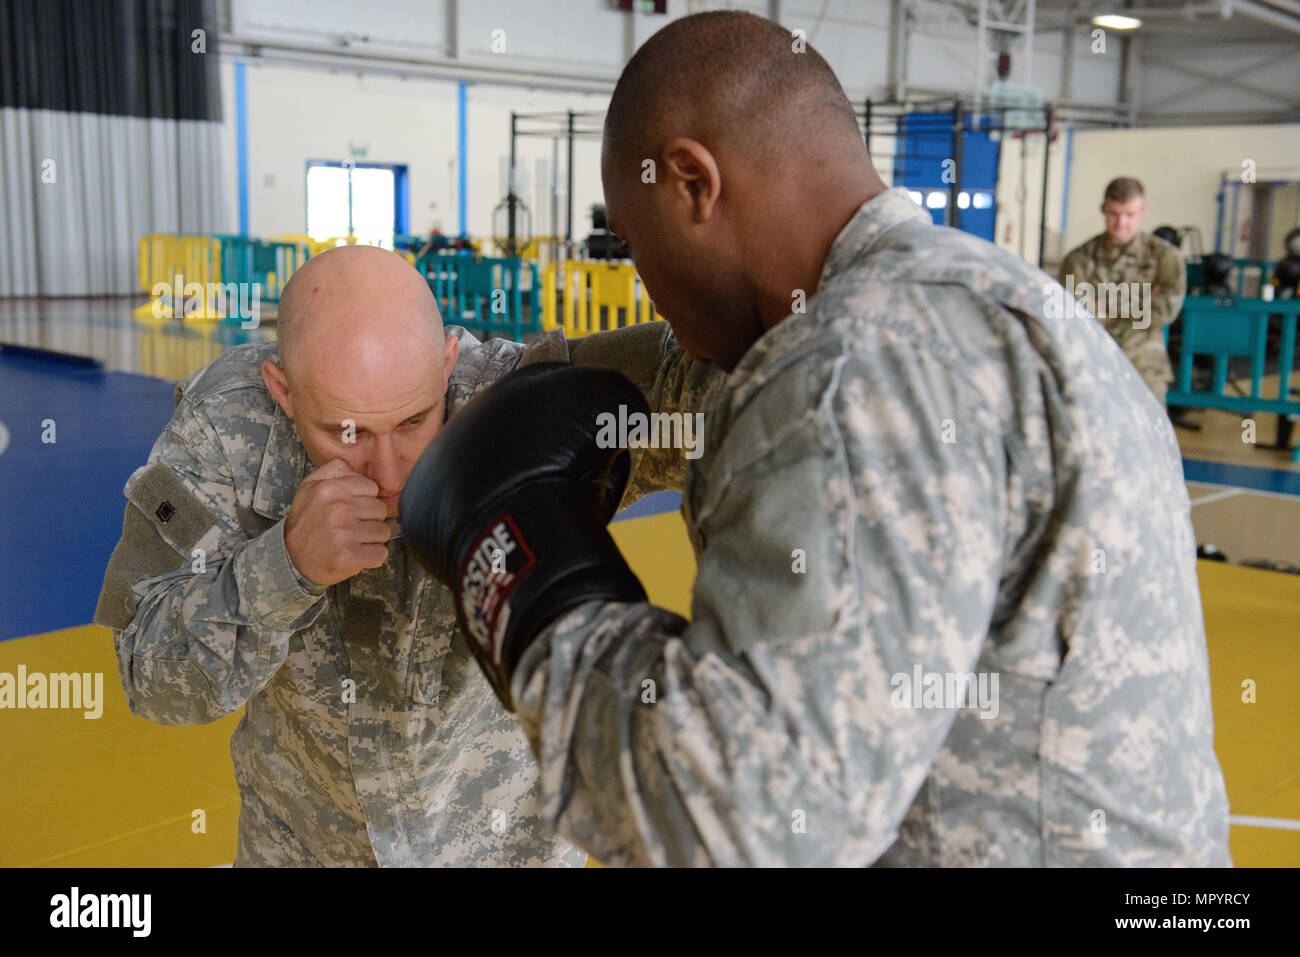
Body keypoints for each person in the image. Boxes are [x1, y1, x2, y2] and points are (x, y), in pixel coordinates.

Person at [402, 11, 1231, 867]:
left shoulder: (848, 366)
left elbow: (742, 816)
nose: (657, 303)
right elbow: (682, 377)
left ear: (693, 182)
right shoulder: (999, 305)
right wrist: (477, 380)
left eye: (640, 252)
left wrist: (530, 595)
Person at [94, 244, 718, 866]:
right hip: (304, 847)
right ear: (281, 390)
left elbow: (706, 379)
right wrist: (282, 568)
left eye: (415, 421)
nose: (388, 473)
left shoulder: (510, 401)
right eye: (347, 434)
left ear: (448, 363)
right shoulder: (224, 428)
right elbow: (147, 679)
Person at [1060, 177, 1186, 404]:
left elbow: (1163, 311)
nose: (1121, 223)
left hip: (1145, 369)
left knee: (1151, 439)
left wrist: (1106, 303)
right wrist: (1141, 301)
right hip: (1092, 367)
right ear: (1103, 210)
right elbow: (1073, 315)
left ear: (1142, 211)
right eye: (1114, 214)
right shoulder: (1079, 259)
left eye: (1129, 215)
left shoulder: (1164, 257)